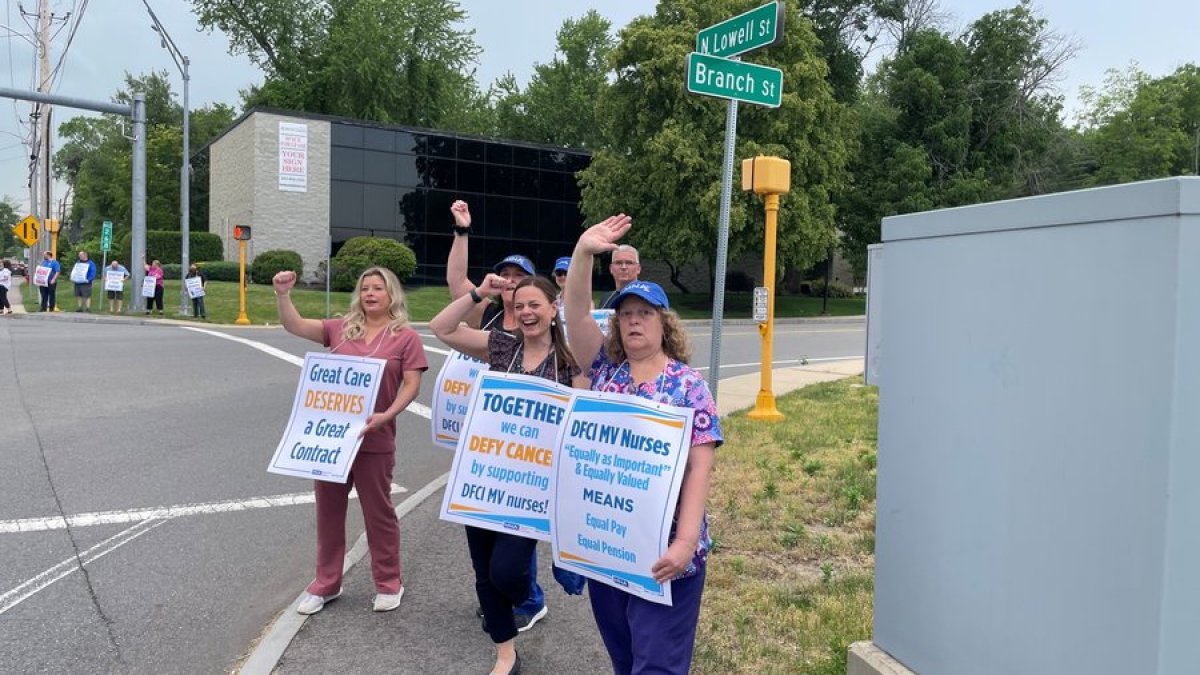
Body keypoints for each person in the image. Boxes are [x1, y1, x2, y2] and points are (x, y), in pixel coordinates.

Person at [564, 215, 722, 675]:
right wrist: (582, 252)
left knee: (657, 665)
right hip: (611, 549)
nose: (634, 322)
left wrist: (686, 542)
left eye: (644, 314)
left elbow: (699, 468)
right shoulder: (605, 371)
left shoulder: (688, 386)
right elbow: (573, 314)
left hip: (666, 555)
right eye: (626, 315)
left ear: (663, 322)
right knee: (626, 658)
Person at [430, 273, 581, 675]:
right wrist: (479, 293)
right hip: (485, 481)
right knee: (484, 573)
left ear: (553, 310)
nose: (526, 312)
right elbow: (441, 328)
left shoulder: (569, 364)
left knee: (507, 572)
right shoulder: (501, 347)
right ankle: (505, 654)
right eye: (519, 306)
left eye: (535, 305)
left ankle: (529, 595)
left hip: (532, 489)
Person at [273, 266, 428, 615]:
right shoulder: (341, 329)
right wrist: (283, 295)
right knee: (328, 513)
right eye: (365, 288)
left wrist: (388, 415)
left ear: (392, 295)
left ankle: (389, 582)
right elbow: (295, 325)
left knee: (379, 513)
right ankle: (326, 583)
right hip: (331, 441)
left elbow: (412, 384)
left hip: (375, 439)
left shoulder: (405, 337)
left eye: (378, 288)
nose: (370, 293)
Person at [446, 199, 549, 632]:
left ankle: (528, 598)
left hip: (529, 448)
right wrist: (463, 232)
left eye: (518, 278)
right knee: (489, 530)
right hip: (489, 441)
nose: (509, 282)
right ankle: (500, 600)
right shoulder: (486, 318)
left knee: (516, 531)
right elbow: (454, 284)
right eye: (504, 275)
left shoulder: (539, 327)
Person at [599, 244, 641, 309]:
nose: (623, 267)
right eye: (618, 263)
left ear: (638, 269)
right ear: (611, 268)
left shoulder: (648, 297)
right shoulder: (606, 299)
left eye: (629, 263)